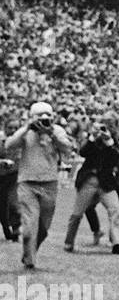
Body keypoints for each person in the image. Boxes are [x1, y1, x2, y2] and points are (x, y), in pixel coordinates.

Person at [4, 101, 76, 270]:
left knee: (43, 228)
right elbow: (8, 145)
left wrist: (52, 134)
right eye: (39, 116)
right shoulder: (25, 132)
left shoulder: (57, 130)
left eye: (48, 115)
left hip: (49, 183)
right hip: (27, 183)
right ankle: (30, 262)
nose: (44, 119)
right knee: (29, 226)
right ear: (32, 117)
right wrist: (27, 128)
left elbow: (68, 149)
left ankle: (29, 253)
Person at [64, 120, 119, 254]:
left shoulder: (114, 144)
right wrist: (92, 137)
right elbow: (83, 152)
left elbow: (115, 159)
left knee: (115, 210)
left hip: (106, 183)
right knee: (77, 214)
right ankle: (69, 242)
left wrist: (109, 142)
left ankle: (117, 243)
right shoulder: (91, 142)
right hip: (89, 180)